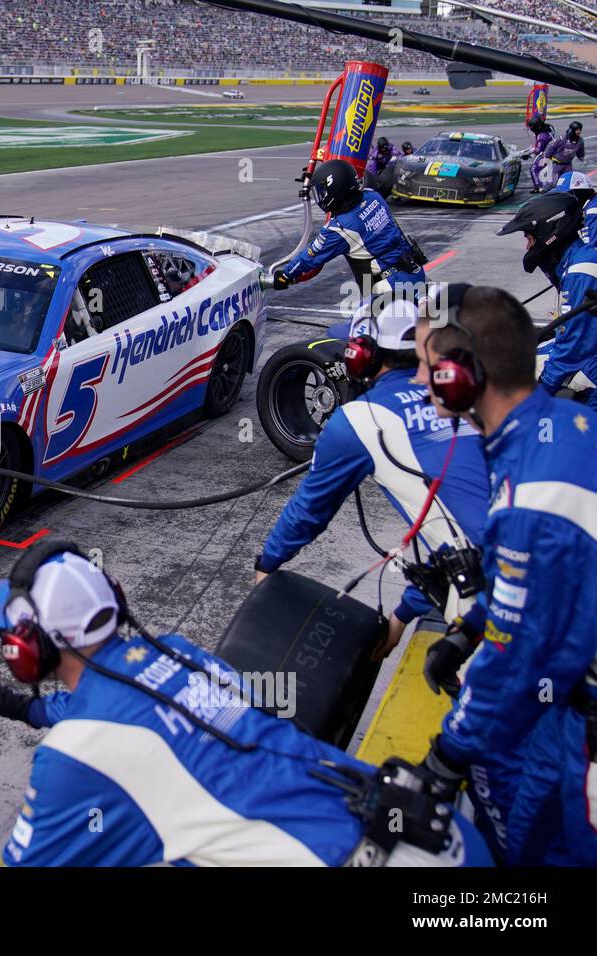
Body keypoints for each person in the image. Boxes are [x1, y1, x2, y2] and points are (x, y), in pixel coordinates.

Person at [0, 541, 493, 867]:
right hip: (439, 833)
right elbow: (132, 716)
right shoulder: (178, 656)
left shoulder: (74, 756)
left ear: (29, 648)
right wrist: (25, 709)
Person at [414, 285, 597, 866]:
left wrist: (446, 756)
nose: (421, 383)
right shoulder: (564, 420)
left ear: (462, 378)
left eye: (426, 367)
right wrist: (472, 625)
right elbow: (543, 586)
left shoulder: (533, 496)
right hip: (567, 705)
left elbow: (517, 654)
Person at [254, 299, 490, 655]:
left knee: (475, 696)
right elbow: (459, 534)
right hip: (562, 551)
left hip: (506, 592)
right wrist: (401, 615)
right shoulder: (468, 399)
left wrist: (267, 565)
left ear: (363, 356)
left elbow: (309, 510)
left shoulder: (360, 420)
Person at [273, 159, 427, 305]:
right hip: (414, 270)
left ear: (335, 189)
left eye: (322, 191)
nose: (320, 196)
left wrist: (285, 276)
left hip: (389, 288)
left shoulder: (339, 228)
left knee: (378, 330)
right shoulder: (373, 197)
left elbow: (309, 257)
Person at [497, 191, 597, 409]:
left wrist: (540, 393)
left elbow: (572, 350)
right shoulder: (579, 259)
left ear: (548, 231)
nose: (527, 247)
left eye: (529, 238)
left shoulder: (581, 271)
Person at [526, 114, 555, 193]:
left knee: (533, 169)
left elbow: (538, 150)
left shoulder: (541, 137)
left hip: (547, 153)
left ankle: (539, 187)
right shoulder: (549, 127)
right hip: (553, 151)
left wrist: (528, 155)